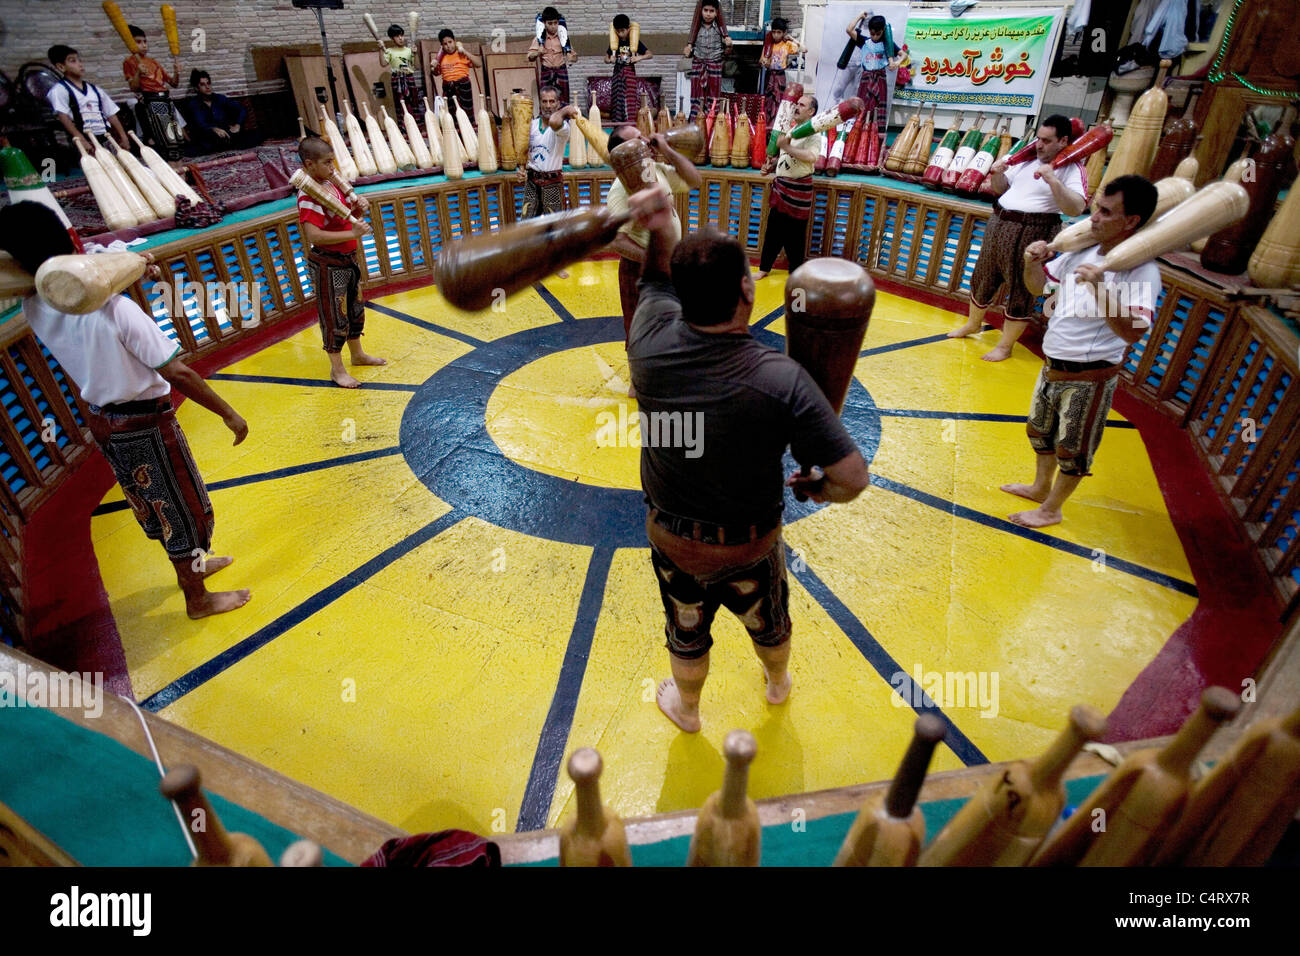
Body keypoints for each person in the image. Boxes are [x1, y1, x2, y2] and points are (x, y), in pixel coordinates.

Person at [624, 189, 870, 732]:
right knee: (770, 621)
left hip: (672, 537)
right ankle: (777, 684)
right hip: (749, 543)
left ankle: (687, 710)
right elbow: (852, 478)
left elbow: (656, 279)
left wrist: (663, 227)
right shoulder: (783, 380)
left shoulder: (646, 339)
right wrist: (818, 489)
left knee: (684, 628)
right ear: (746, 289)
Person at [0, 201, 251, 619]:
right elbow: (178, 371)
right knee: (181, 510)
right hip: (144, 422)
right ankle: (197, 599)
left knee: (155, 503)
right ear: (69, 241)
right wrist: (227, 412)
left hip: (104, 419)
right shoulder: (117, 310)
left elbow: (87, 288)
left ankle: (196, 568)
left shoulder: (34, 305)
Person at [1003, 175, 1159, 528]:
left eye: (1105, 212)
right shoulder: (1082, 250)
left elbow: (1134, 332)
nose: (1095, 217)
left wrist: (1101, 289)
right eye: (1097, 208)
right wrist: (1031, 262)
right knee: (1040, 432)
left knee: (1073, 448)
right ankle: (1040, 487)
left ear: (1131, 221)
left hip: (1091, 374)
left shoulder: (1143, 270)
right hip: (1053, 362)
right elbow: (1037, 288)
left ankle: (1052, 509)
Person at [948, 115, 1087, 361]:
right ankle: (972, 324)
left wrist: (1053, 179)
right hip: (999, 223)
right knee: (983, 275)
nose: (1040, 144)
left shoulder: (1072, 167)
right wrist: (998, 174)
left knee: (1021, 289)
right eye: (1038, 139)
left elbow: (1075, 208)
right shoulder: (1026, 158)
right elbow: (1002, 188)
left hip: (1035, 231)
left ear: (1063, 140)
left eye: (1046, 140)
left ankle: (1005, 346)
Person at [294, 136, 383, 389]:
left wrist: (359, 209)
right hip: (328, 264)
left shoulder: (331, 186)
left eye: (332, 161)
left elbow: (347, 220)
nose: (332, 167)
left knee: (355, 309)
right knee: (334, 316)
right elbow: (314, 235)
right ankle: (337, 370)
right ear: (309, 165)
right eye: (326, 162)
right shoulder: (308, 194)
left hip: (347, 259)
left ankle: (357, 355)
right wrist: (352, 234)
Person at [604, 124, 701, 352]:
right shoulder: (619, 189)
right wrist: (654, 259)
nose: (645, 141)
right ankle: (637, 386)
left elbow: (694, 179)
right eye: (638, 140)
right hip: (640, 271)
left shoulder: (654, 168)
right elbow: (617, 241)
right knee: (640, 331)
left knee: (670, 327)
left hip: (668, 266)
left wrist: (667, 149)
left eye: (642, 136)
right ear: (624, 152)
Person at [757, 94, 820, 280]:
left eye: (802, 105)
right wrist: (771, 165)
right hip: (781, 186)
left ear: (811, 112)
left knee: (796, 236)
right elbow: (785, 157)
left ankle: (795, 273)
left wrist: (786, 145)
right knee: (773, 231)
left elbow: (810, 157)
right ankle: (764, 268)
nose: (796, 107)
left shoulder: (815, 134)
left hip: (798, 190)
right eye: (796, 104)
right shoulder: (791, 130)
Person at [46, 44, 131, 157]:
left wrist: (123, 136)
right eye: (73, 61)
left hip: (106, 137)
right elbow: (63, 117)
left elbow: (111, 114)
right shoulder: (59, 90)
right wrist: (81, 140)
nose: (80, 64)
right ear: (61, 67)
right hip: (86, 140)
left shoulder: (95, 90)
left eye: (79, 60)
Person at [123, 23, 184, 160]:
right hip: (152, 101)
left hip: (166, 100)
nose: (144, 45)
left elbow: (174, 84)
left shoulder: (153, 62)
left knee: (177, 137)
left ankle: (180, 170)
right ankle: (172, 170)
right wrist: (138, 71)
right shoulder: (129, 62)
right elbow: (134, 88)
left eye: (145, 42)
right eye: (139, 42)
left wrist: (177, 72)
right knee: (167, 140)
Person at [847, 14, 899, 158]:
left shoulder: (888, 45)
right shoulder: (864, 41)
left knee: (878, 111)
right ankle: (857, 146)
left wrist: (896, 63)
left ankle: (876, 149)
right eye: (872, 33)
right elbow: (849, 29)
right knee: (862, 109)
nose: (875, 36)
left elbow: (904, 55)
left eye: (878, 33)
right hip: (866, 78)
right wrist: (860, 15)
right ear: (869, 31)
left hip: (880, 78)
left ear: (883, 31)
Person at [184, 70, 255, 154]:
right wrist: (213, 128)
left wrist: (238, 124)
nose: (207, 87)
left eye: (208, 83)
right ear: (196, 88)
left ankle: (229, 144)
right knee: (204, 143)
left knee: (257, 134)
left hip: (227, 133)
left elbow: (241, 109)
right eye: (203, 85)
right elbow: (201, 123)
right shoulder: (194, 104)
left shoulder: (220, 98)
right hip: (209, 137)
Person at [685, 0, 731, 120]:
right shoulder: (697, 28)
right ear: (701, 11)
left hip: (714, 63)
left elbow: (727, 53)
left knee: (713, 96)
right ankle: (695, 122)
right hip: (698, 63)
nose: (708, 14)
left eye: (712, 11)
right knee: (696, 96)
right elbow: (689, 49)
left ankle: (711, 124)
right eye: (705, 10)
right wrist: (688, 48)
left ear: (717, 13)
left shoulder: (719, 30)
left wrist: (729, 45)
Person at [606, 14, 651, 124]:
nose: (620, 33)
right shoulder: (615, 42)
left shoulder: (634, 41)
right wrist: (609, 59)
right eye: (618, 31)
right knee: (617, 101)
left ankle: (629, 125)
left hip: (629, 74)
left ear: (628, 29)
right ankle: (617, 126)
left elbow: (650, 54)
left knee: (629, 100)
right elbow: (605, 58)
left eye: (622, 30)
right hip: (617, 73)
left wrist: (639, 57)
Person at [528, 7, 578, 105]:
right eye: (550, 23)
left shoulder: (563, 38)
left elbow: (575, 57)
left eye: (555, 23)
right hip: (546, 71)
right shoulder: (539, 39)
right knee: (546, 101)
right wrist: (538, 52)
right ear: (544, 23)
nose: (553, 26)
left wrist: (571, 58)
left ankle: (563, 119)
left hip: (561, 70)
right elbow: (530, 57)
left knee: (563, 101)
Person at [759, 17, 803, 125]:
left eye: (779, 32)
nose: (776, 35)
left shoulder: (787, 44)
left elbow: (804, 49)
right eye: (774, 32)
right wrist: (764, 62)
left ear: (784, 33)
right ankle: (767, 125)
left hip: (780, 76)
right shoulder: (769, 44)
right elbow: (761, 60)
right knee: (768, 102)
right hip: (770, 76)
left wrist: (791, 39)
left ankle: (776, 125)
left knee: (779, 102)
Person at [433, 29, 482, 124]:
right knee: (451, 116)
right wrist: (433, 67)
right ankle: (456, 135)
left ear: (455, 41)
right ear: (442, 46)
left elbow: (478, 64)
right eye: (445, 44)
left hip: (463, 87)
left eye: (450, 42)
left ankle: (468, 134)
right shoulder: (441, 57)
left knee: (466, 114)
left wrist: (465, 52)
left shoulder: (462, 54)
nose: (448, 46)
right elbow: (436, 73)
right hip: (448, 89)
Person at [379, 24, 421, 121]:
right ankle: (403, 127)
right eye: (397, 36)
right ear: (392, 38)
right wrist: (380, 49)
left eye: (401, 35)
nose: (401, 38)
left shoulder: (409, 50)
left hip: (408, 77)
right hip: (396, 79)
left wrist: (415, 53)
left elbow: (417, 66)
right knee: (399, 103)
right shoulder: (389, 51)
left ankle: (416, 124)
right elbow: (383, 63)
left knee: (413, 101)